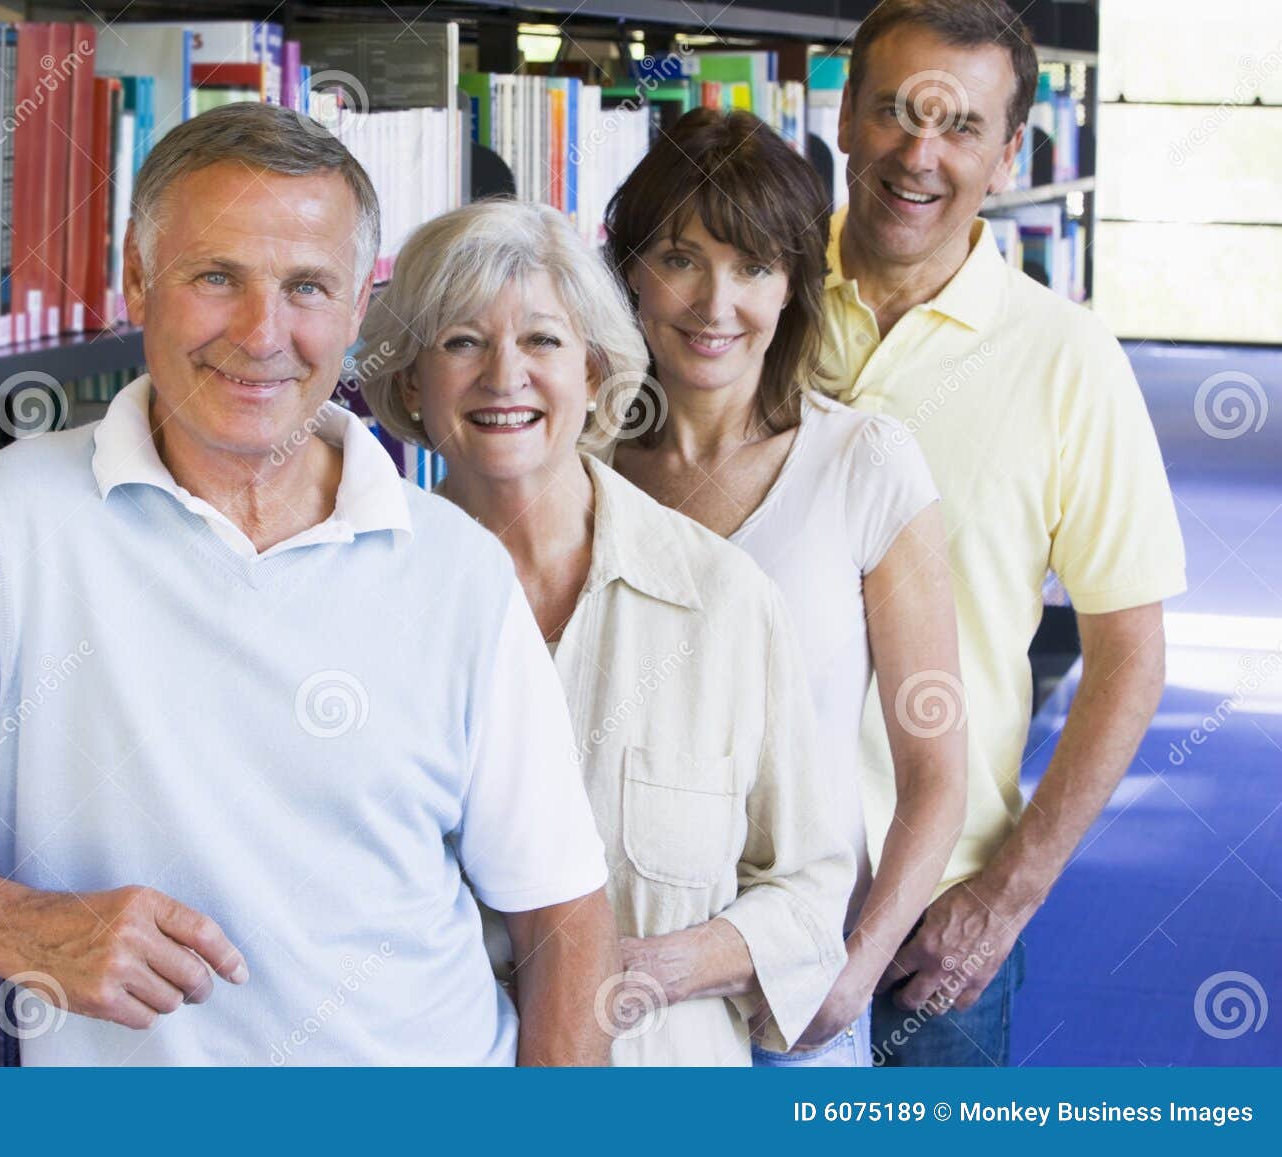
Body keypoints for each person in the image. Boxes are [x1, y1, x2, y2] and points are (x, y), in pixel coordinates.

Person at [0, 103, 620, 1067]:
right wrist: (15, 927)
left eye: (307, 286)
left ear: (359, 308)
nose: (263, 332)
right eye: (217, 277)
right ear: (139, 280)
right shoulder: (9, 522)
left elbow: (562, 915)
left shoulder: (457, 568)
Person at [359, 199, 854, 1065]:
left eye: (543, 342)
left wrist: (626, 973)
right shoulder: (360, 607)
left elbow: (811, 894)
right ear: (410, 385)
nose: (504, 376)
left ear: (594, 373)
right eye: (462, 342)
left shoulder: (723, 602)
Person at [824, 0, 1185, 1064]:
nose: (917, 154)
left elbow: (1130, 654)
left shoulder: (1065, 357)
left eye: (960, 126)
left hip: (928, 919)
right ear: (842, 117)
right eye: (893, 110)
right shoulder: (743, 310)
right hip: (723, 898)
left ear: (1007, 152)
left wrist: (1003, 895)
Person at [604, 108, 967, 1067]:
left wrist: (852, 973)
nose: (715, 303)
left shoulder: (865, 463)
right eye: (682, 258)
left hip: (784, 997)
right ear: (631, 268)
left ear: (796, 284)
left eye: (755, 266)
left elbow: (935, 777)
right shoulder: (574, 465)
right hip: (608, 982)